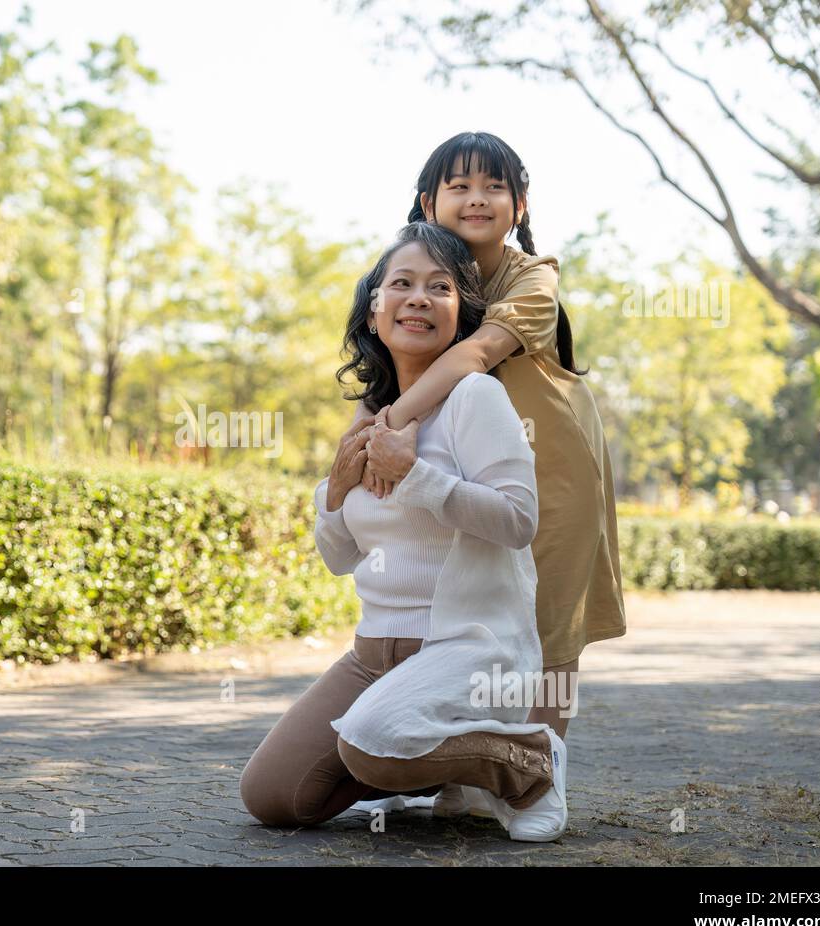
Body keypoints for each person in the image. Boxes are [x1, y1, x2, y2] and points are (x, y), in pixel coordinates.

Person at [240, 221, 566, 841]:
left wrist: (415, 476)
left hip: (465, 647)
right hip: (373, 652)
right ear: (374, 308)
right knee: (274, 797)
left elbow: (518, 522)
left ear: (460, 317)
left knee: (371, 746)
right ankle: (415, 765)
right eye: (402, 284)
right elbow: (339, 557)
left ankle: (531, 762)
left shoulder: (476, 398)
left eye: (440, 288)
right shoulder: (370, 412)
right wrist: (335, 493)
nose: (419, 297)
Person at [364, 132, 628, 822]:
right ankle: (478, 770)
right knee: (476, 614)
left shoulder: (533, 277)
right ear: (429, 200)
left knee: (553, 625)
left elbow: (478, 353)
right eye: (458, 185)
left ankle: (547, 772)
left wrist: (389, 427)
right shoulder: (422, 270)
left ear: (520, 203)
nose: (476, 198)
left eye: (493, 185)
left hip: (558, 465)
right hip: (471, 463)